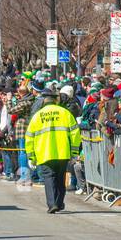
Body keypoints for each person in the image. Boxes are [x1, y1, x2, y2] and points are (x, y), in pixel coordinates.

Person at [25, 85, 82, 214]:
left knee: (49, 178)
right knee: (60, 178)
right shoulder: (65, 113)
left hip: (44, 153)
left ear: (44, 102)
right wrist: (74, 152)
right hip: (62, 152)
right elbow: (75, 134)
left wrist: (31, 156)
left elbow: (29, 137)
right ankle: (59, 202)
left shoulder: (37, 116)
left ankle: (52, 204)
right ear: (55, 101)